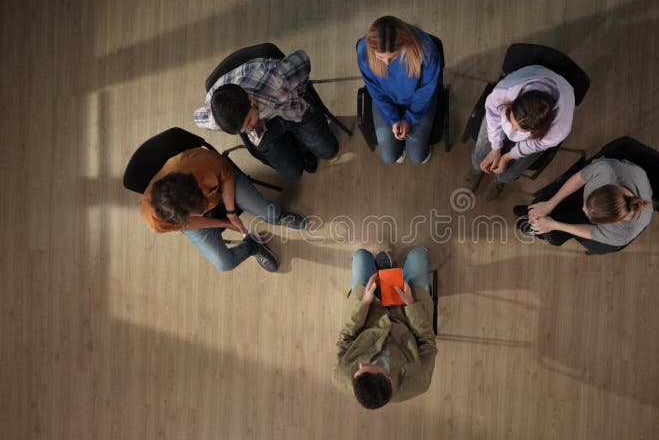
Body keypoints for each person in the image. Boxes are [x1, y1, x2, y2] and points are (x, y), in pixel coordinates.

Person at [139, 146, 308, 272]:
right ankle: (252, 246)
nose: (201, 213)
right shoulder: (155, 221)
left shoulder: (204, 163)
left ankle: (278, 216)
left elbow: (227, 177)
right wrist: (223, 223)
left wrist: (231, 213)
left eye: (201, 206)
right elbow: (188, 224)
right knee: (224, 264)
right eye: (195, 212)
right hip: (190, 220)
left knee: (268, 213)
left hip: (220, 186)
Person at [194, 49, 339, 182]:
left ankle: (303, 147)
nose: (250, 129)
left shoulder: (278, 79)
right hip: (264, 129)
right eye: (243, 129)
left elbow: (303, 59)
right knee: (293, 174)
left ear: (251, 100)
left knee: (329, 151)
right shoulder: (213, 118)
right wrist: (249, 122)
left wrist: (298, 90)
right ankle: (300, 149)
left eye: (249, 122)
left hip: (291, 108)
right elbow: (198, 118)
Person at [333, 247, 437, 409]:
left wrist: (365, 303)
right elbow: (427, 340)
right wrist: (410, 304)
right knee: (418, 255)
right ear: (389, 379)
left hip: (370, 311)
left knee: (361, 256)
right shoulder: (418, 381)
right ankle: (387, 274)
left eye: (358, 371)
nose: (360, 365)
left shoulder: (341, 374)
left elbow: (346, 336)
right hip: (406, 314)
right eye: (368, 365)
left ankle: (384, 273)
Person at [463, 65, 575, 201]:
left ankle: (500, 181)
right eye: (511, 121)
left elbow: (535, 145)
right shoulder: (503, 92)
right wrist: (496, 147)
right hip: (518, 91)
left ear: (537, 132)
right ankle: (477, 170)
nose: (511, 132)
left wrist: (507, 157)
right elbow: (492, 115)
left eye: (519, 130)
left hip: (546, 122)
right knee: (481, 155)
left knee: (509, 173)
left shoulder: (558, 131)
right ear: (513, 104)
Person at [357, 16, 442, 164]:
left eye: (393, 57)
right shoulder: (364, 51)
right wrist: (394, 119)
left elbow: (427, 89)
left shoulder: (427, 51)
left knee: (417, 157)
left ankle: (419, 150)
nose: (386, 63)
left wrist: (409, 120)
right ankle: (401, 149)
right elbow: (374, 90)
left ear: (404, 44)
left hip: (420, 100)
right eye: (381, 57)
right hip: (386, 101)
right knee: (389, 157)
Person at [517, 157, 653, 247]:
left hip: (604, 228)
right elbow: (578, 179)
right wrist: (550, 204)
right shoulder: (607, 170)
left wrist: (553, 224)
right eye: (586, 206)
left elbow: (591, 232)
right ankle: (532, 216)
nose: (583, 209)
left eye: (588, 212)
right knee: (542, 202)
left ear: (614, 221)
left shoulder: (622, 233)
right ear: (609, 187)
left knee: (554, 236)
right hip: (587, 194)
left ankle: (533, 225)